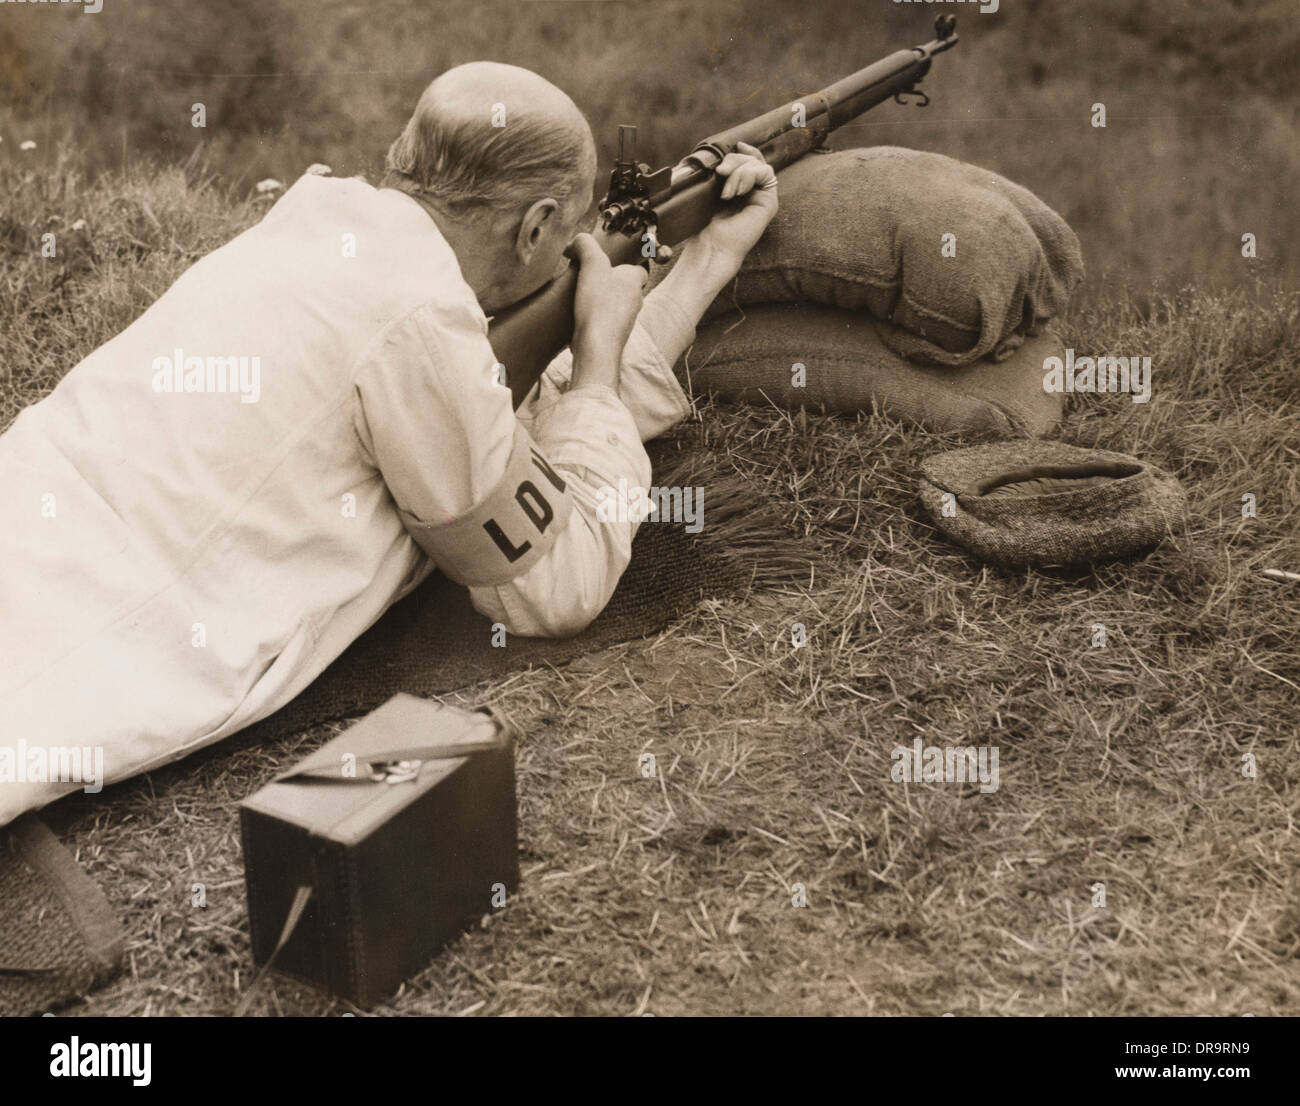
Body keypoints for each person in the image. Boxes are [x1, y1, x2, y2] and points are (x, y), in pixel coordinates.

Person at [0, 61, 778, 826]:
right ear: (538, 227)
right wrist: (600, 360)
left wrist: (709, 259)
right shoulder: (422, 324)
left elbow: (527, 393)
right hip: (89, 643)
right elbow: (559, 586)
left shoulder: (318, 221)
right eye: (570, 232)